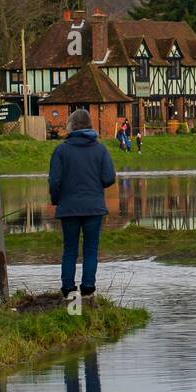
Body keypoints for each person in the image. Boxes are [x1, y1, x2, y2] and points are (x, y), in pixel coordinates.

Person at [49, 108, 116, 298]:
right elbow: (109, 178)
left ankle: (69, 291)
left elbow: (54, 181)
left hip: (68, 207)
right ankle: (88, 289)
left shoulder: (61, 150)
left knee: (69, 249)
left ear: (71, 126)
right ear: (89, 125)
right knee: (91, 249)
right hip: (94, 207)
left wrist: (56, 200)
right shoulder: (100, 149)